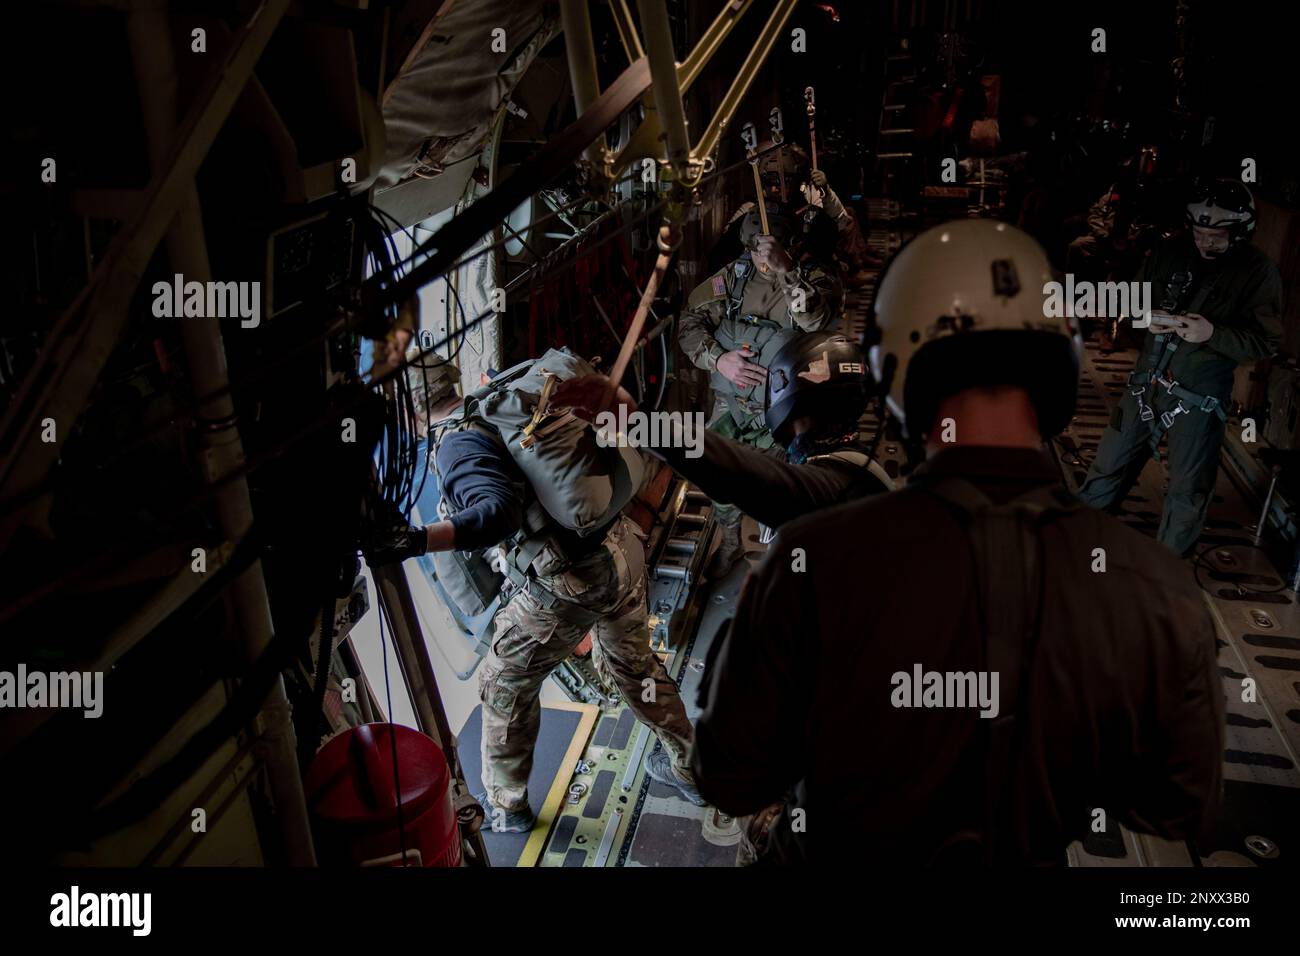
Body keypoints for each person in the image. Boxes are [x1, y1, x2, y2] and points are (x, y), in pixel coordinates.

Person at [691, 219, 1225, 865]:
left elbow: (728, 776)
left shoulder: (814, 561)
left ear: (893, 378)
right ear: (1062, 364)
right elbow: (1175, 803)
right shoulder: (1157, 590)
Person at [366, 349, 704, 832]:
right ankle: (690, 765)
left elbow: (497, 514)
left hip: (570, 584)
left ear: (413, 409)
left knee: (503, 684)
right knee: (636, 667)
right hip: (622, 547)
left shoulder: (458, 445)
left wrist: (416, 540)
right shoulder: (500, 400)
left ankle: (506, 806)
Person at [1078, 179, 1283, 556]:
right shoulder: (1169, 252)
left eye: (1216, 235)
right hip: (1143, 386)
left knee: (1187, 492)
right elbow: (1135, 298)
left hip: (1197, 399)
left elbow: (1265, 342)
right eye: (1199, 233)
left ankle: (1168, 576)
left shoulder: (1257, 273)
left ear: (1239, 233)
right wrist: (1142, 317)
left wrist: (1212, 333)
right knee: (1107, 468)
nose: (1205, 242)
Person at [554, 331, 894, 531]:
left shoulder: (846, 487)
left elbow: (748, 474)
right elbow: (744, 463)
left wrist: (636, 422)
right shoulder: (837, 468)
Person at [678, 205, 844, 578]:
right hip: (732, 408)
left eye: (768, 250)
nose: (761, 260)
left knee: (787, 497)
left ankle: (788, 565)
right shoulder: (734, 278)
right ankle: (732, 542)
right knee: (720, 482)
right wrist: (719, 360)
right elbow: (690, 320)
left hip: (786, 414)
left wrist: (787, 271)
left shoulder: (814, 277)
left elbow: (815, 319)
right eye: (755, 251)